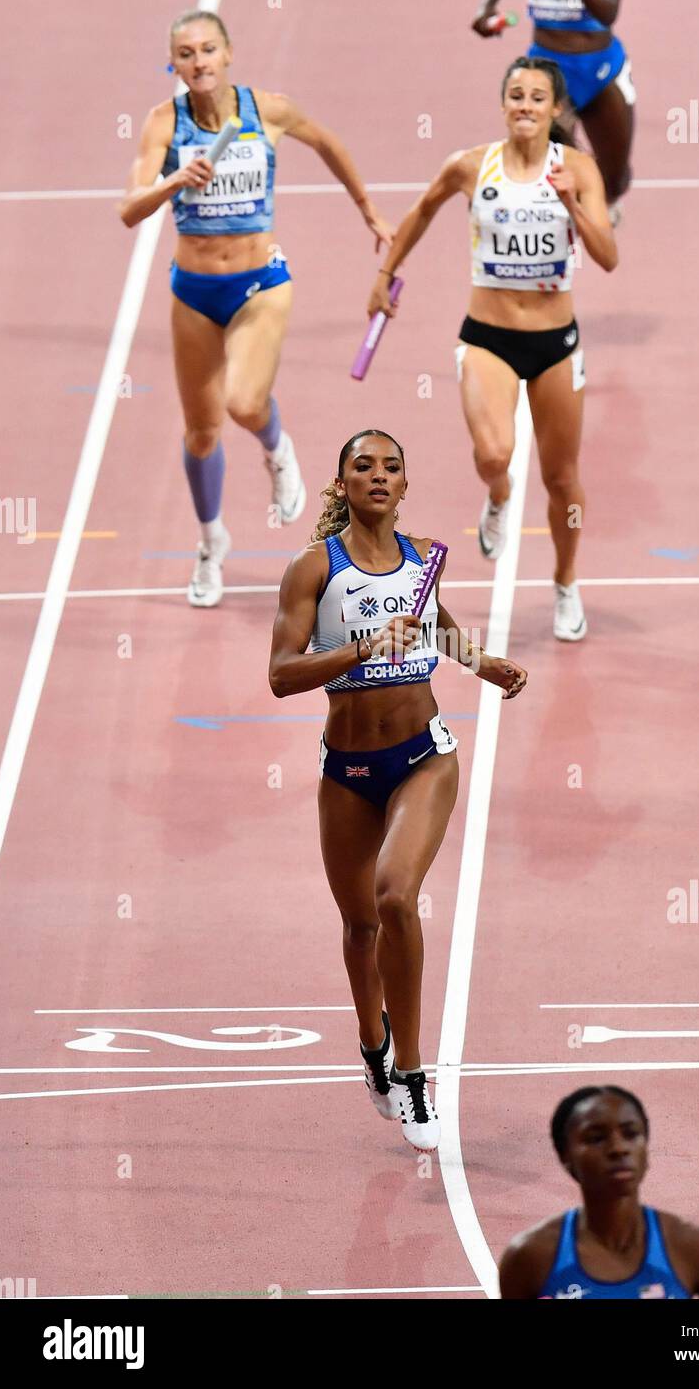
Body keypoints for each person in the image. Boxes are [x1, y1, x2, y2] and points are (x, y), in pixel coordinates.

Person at [268, 429, 528, 1151]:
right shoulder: (312, 569)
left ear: (405, 485)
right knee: (359, 929)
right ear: (342, 483)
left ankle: (414, 1075)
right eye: (363, 466)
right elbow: (281, 675)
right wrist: (358, 649)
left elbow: (435, 630)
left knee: (393, 895)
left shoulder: (424, 559)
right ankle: (373, 1043)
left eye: (391, 467)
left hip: (423, 757)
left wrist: (485, 664)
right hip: (347, 772)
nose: (378, 476)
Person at [119, 7, 394, 607]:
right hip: (193, 291)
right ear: (175, 63)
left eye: (208, 50)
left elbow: (327, 142)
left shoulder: (266, 109)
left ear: (227, 54)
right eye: (186, 54)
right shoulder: (164, 123)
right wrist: (174, 181)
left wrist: (368, 208)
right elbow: (130, 208)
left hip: (260, 284)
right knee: (199, 432)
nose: (198, 62)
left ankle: (277, 448)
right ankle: (211, 544)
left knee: (242, 401)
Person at [367, 58, 617, 641]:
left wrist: (572, 204)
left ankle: (564, 583)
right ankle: (498, 498)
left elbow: (608, 255)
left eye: (536, 97)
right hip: (488, 337)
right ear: (503, 104)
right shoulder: (470, 166)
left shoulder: (577, 168)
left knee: (561, 480)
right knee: (493, 454)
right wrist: (386, 273)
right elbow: (422, 210)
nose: (525, 105)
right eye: (515, 95)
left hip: (556, 343)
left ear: (555, 109)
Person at [500, 1087, 699, 1298]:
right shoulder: (529, 1257)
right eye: (596, 1138)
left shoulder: (694, 1248)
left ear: (646, 1150)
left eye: (630, 1134)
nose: (618, 1148)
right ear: (566, 1157)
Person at [472, 1, 635, 226]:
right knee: (550, 175)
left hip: (602, 68)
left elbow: (608, 13)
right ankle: (559, 236)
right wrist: (486, 9)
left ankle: (605, 201)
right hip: (546, 69)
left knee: (616, 180)